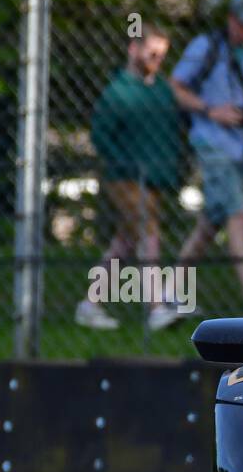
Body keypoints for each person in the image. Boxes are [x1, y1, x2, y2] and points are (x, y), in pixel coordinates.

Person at [169, 0, 243, 315]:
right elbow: (176, 86)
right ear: (232, 20)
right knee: (237, 214)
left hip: (241, 147)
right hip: (212, 142)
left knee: (209, 224)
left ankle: (170, 292)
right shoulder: (206, 46)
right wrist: (210, 110)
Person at [76, 22, 183, 330]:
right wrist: (125, 164)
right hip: (125, 179)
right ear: (133, 49)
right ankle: (156, 309)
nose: (157, 60)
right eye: (152, 53)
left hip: (152, 181)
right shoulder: (117, 93)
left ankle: (89, 304)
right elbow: (100, 137)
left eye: (162, 55)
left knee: (124, 242)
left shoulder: (162, 89)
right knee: (149, 234)